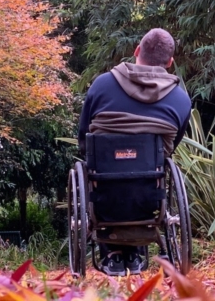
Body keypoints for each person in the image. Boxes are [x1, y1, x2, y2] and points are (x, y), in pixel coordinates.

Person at [78, 28, 192, 277]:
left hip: (105, 191)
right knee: (149, 169)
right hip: (149, 192)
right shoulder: (180, 99)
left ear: (137, 51)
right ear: (170, 62)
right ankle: (134, 252)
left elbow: (83, 137)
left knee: (102, 171)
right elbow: (173, 146)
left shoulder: (102, 85)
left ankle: (113, 253)